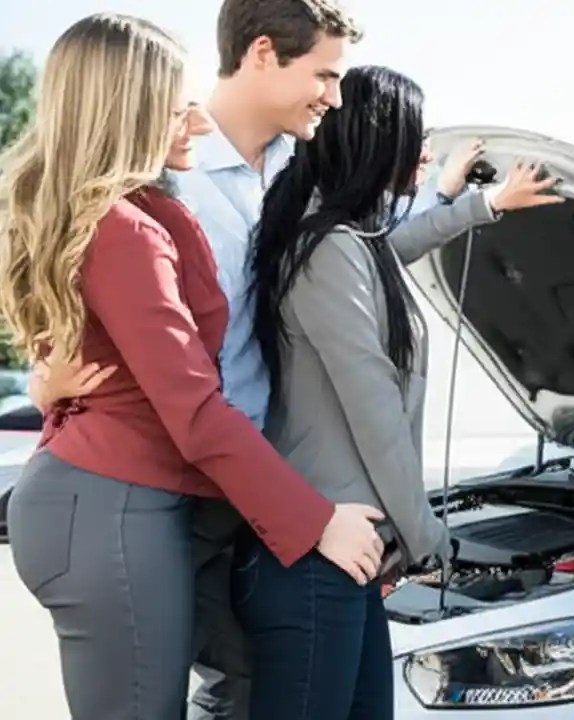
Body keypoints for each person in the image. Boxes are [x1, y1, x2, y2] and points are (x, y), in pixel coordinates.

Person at [0, 13, 386, 719]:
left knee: (241, 692)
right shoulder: (126, 229)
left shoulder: (142, 214)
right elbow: (194, 406)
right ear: (133, 109)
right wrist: (317, 519)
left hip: (164, 498)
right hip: (114, 505)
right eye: (180, 107)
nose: (198, 121)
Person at [239, 63, 560, 718]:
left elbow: (397, 243)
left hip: (345, 555)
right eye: (419, 134)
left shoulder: (347, 241)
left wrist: (481, 203)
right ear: (378, 142)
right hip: (315, 561)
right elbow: (374, 406)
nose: (427, 149)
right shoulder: (328, 247)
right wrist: (428, 538)